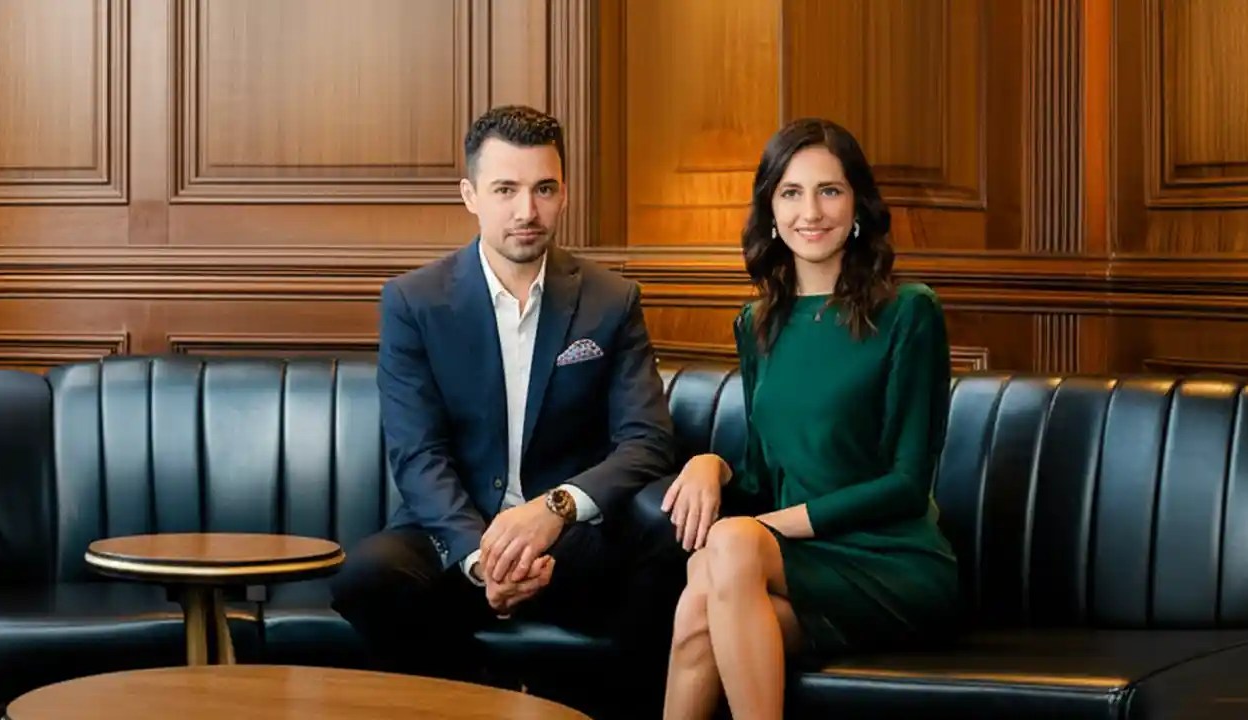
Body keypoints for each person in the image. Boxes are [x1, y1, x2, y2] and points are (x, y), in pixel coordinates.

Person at [330, 105, 682, 714]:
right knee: (366, 576)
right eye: (505, 190)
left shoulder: (610, 299)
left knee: (666, 547)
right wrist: (480, 559)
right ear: (470, 195)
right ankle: (489, 699)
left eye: (544, 189)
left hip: (570, 541)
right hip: (451, 536)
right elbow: (418, 453)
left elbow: (647, 441)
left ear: (564, 192)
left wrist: (556, 509)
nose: (527, 211)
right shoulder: (414, 301)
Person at [659, 117, 962, 720]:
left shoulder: (909, 312)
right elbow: (763, 476)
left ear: (857, 205)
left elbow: (907, 485)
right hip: (797, 563)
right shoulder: (757, 324)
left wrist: (757, 532)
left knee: (726, 551)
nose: (811, 212)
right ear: (771, 210)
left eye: (830, 191)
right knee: (699, 612)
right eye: (791, 193)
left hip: (892, 562)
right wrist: (709, 464)